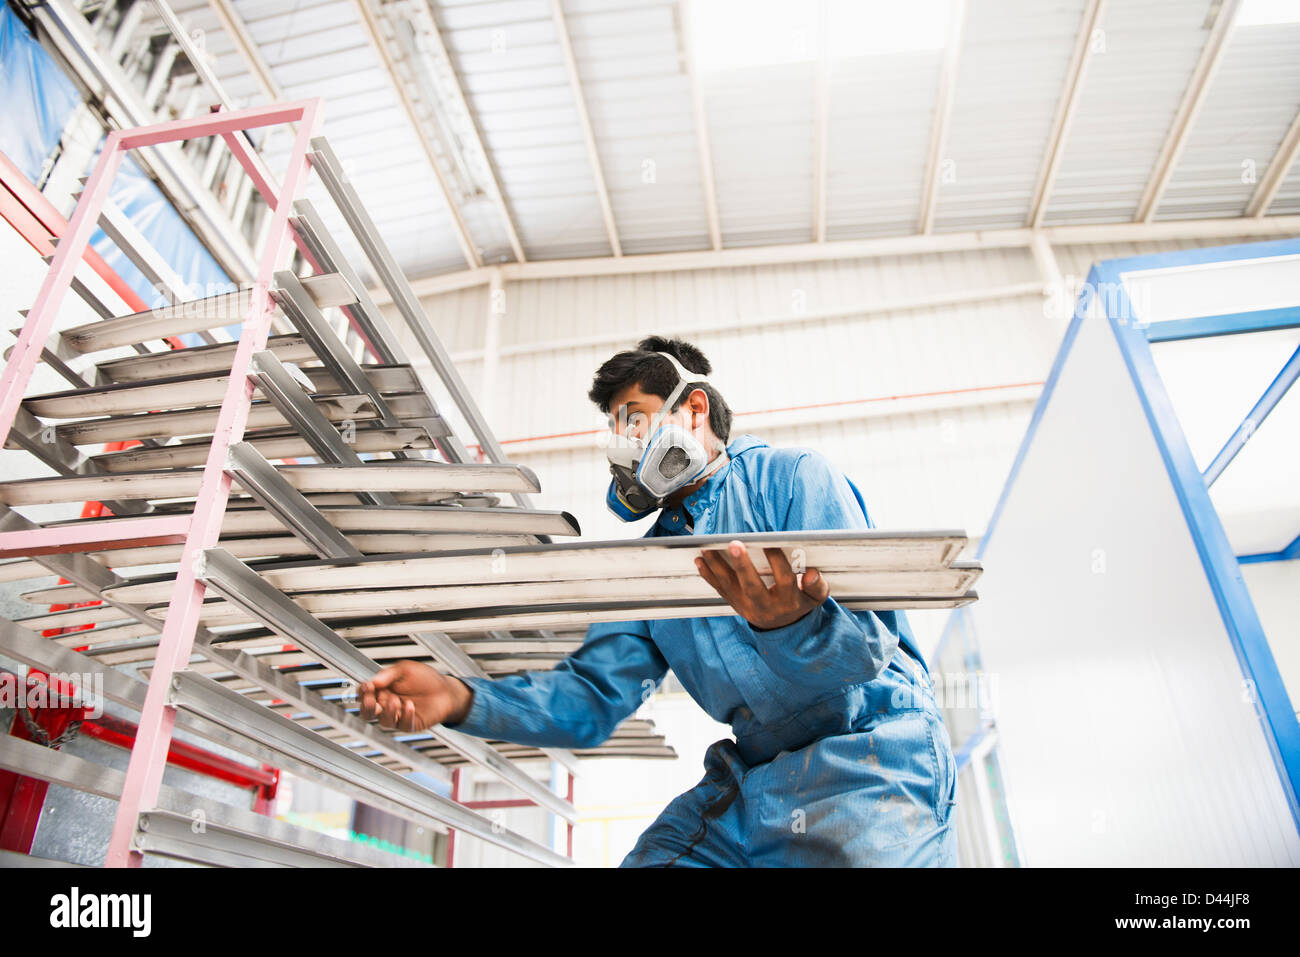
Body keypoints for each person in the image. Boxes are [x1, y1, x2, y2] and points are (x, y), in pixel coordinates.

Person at [359, 335, 958, 866]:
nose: (624, 443)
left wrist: (792, 628)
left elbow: (865, 652)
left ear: (693, 408)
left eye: (635, 419)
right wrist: (462, 698)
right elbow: (589, 701)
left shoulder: (790, 477)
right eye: (616, 429)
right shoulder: (652, 567)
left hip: (873, 759)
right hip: (758, 778)